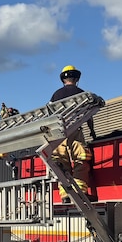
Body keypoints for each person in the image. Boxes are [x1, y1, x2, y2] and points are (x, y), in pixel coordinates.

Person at [49, 65, 96, 202]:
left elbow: (49, 115)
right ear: (76, 78)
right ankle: (80, 192)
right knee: (81, 159)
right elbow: (89, 115)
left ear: (63, 80)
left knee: (61, 163)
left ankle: (65, 195)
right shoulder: (82, 94)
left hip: (58, 133)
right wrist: (93, 132)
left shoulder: (56, 95)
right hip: (75, 130)